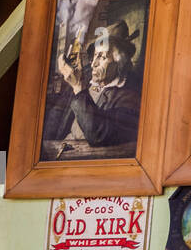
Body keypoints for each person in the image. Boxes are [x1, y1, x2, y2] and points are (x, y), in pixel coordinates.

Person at [43, 20, 142, 157]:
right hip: (60, 155)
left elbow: (98, 135)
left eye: (102, 57)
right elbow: (56, 117)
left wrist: (78, 88)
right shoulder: (86, 79)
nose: (94, 63)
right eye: (95, 55)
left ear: (119, 61)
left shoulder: (129, 95)